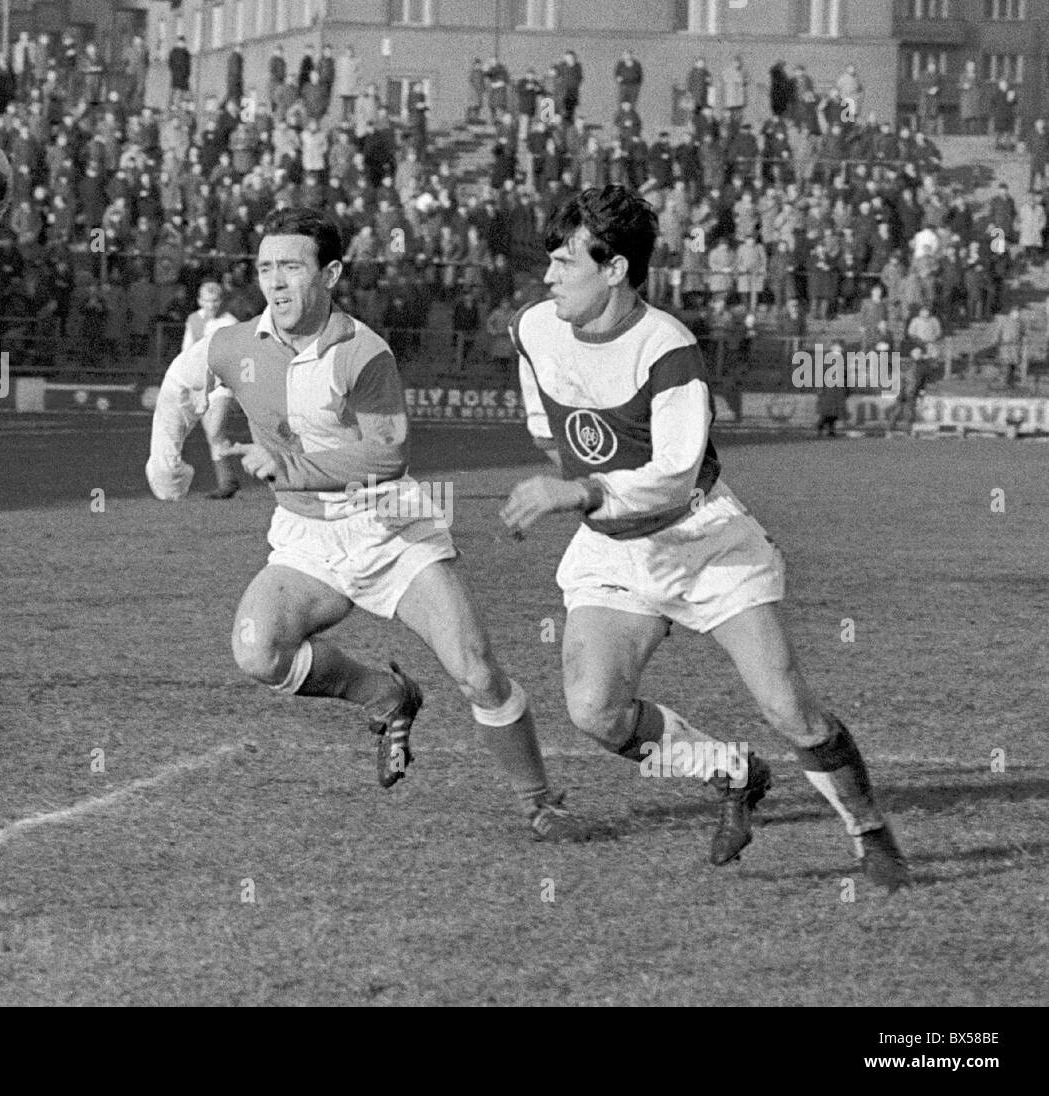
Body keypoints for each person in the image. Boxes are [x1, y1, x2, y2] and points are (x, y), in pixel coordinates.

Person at [500, 185, 910, 889]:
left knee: (789, 706)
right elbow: (543, 414)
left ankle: (870, 835)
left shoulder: (668, 347)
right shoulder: (535, 327)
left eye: (567, 263)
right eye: (551, 261)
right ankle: (733, 774)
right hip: (613, 547)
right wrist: (568, 471)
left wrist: (578, 489)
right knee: (596, 711)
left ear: (617, 269)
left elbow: (675, 472)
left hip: (703, 538)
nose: (550, 276)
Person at [145, 207, 595, 842]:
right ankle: (384, 697)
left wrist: (289, 465)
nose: (276, 282)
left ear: (328, 273)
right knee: (257, 650)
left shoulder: (363, 351)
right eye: (266, 267)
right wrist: (162, 460)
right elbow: (180, 384)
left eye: (291, 267)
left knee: (475, 669)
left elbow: (387, 456)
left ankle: (541, 801)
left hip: (389, 526)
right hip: (306, 536)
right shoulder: (235, 343)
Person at [181, 281, 242, 499]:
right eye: (207, 300)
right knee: (214, 436)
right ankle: (227, 482)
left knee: (215, 430)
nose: (211, 304)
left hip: (223, 385)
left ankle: (256, 459)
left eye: (215, 300)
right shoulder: (194, 321)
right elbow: (186, 352)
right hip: (203, 385)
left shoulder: (229, 322)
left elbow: (239, 353)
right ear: (199, 301)